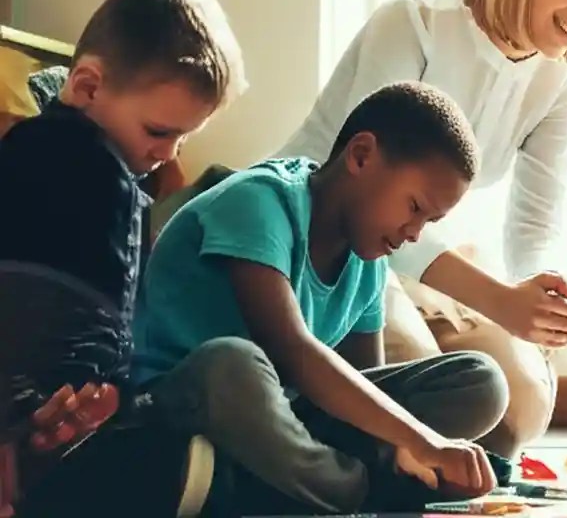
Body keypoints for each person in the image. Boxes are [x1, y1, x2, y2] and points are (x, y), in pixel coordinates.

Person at [272, 0, 567, 455]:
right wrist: (499, 301)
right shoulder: (416, 23)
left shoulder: (558, 81)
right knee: (420, 385)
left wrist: (544, 293)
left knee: (520, 403)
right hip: (335, 242)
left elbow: (533, 227)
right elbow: (372, 203)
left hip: (418, 248)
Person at [130, 82, 527, 514]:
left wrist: (404, 443)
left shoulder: (368, 260)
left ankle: (259, 486)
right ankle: (356, 491)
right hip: (188, 406)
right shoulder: (256, 202)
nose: (415, 233)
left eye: (430, 221)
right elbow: (290, 350)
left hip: (286, 425)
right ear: (361, 156)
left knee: (480, 382)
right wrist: (423, 442)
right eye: (414, 207)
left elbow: (364, 388)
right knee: (233, 361)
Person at [0, 0, 246, 515]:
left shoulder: (119, 181)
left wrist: (106, 394)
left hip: (64, 408)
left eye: (182, 139)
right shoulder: (43, 155)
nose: (167, 153)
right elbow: (19, 300)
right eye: (159, 131)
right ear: (87, 86)